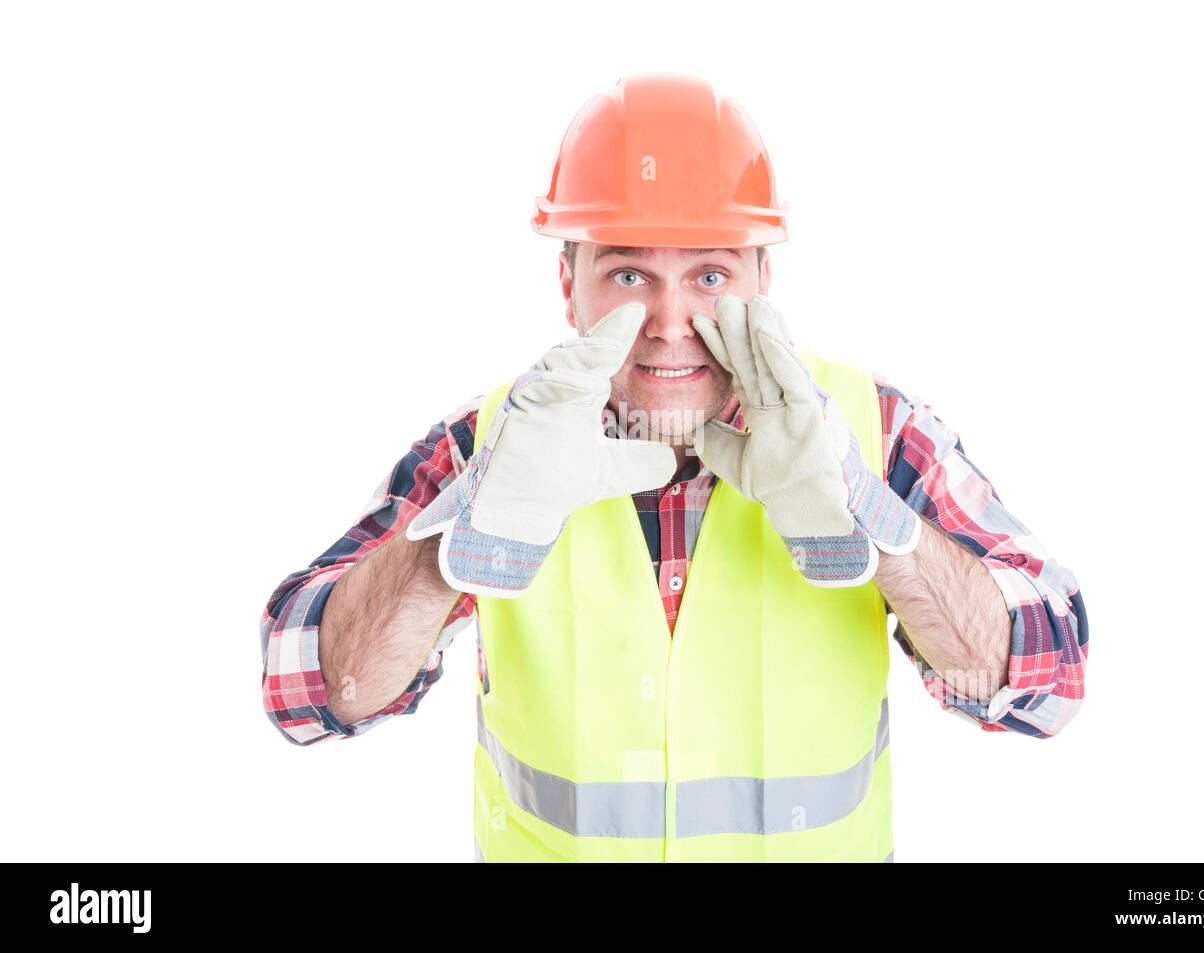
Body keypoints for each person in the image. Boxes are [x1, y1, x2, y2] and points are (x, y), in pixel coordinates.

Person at [260, 74, 1088, 862]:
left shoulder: (869, 429)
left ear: (765, 280)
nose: (669, 320)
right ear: (567, 284)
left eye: (710, 274)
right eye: (628, 274)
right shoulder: (495, 441)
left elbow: (1049, 686)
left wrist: (876, 521)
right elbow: (306, 693)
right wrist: (455, 540)